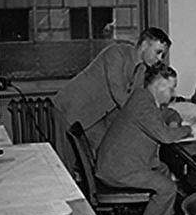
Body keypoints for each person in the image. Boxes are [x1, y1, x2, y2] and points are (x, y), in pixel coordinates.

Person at [96, 64, 196, 215]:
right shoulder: (143, 106)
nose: (172, 92)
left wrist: (174, 122)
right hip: (119, 170)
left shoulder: (142, 97)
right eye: (170, 88)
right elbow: (165, 137)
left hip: (120, 162)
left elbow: (166, 113)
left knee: (163, 169)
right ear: (158, 87)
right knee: (168, 188)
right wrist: (191, 129)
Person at [53, 27, 173, 155]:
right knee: (63, 162)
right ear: (144, 45)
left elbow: (137, 99)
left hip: (94, 117)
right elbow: (119, 94)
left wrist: (159, 115)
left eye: (163, 54)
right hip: (70, 109)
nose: (160, 58)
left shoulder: (141, 70)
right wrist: (148, 119)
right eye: (158, 52)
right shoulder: (116, 53)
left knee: (103, 153)